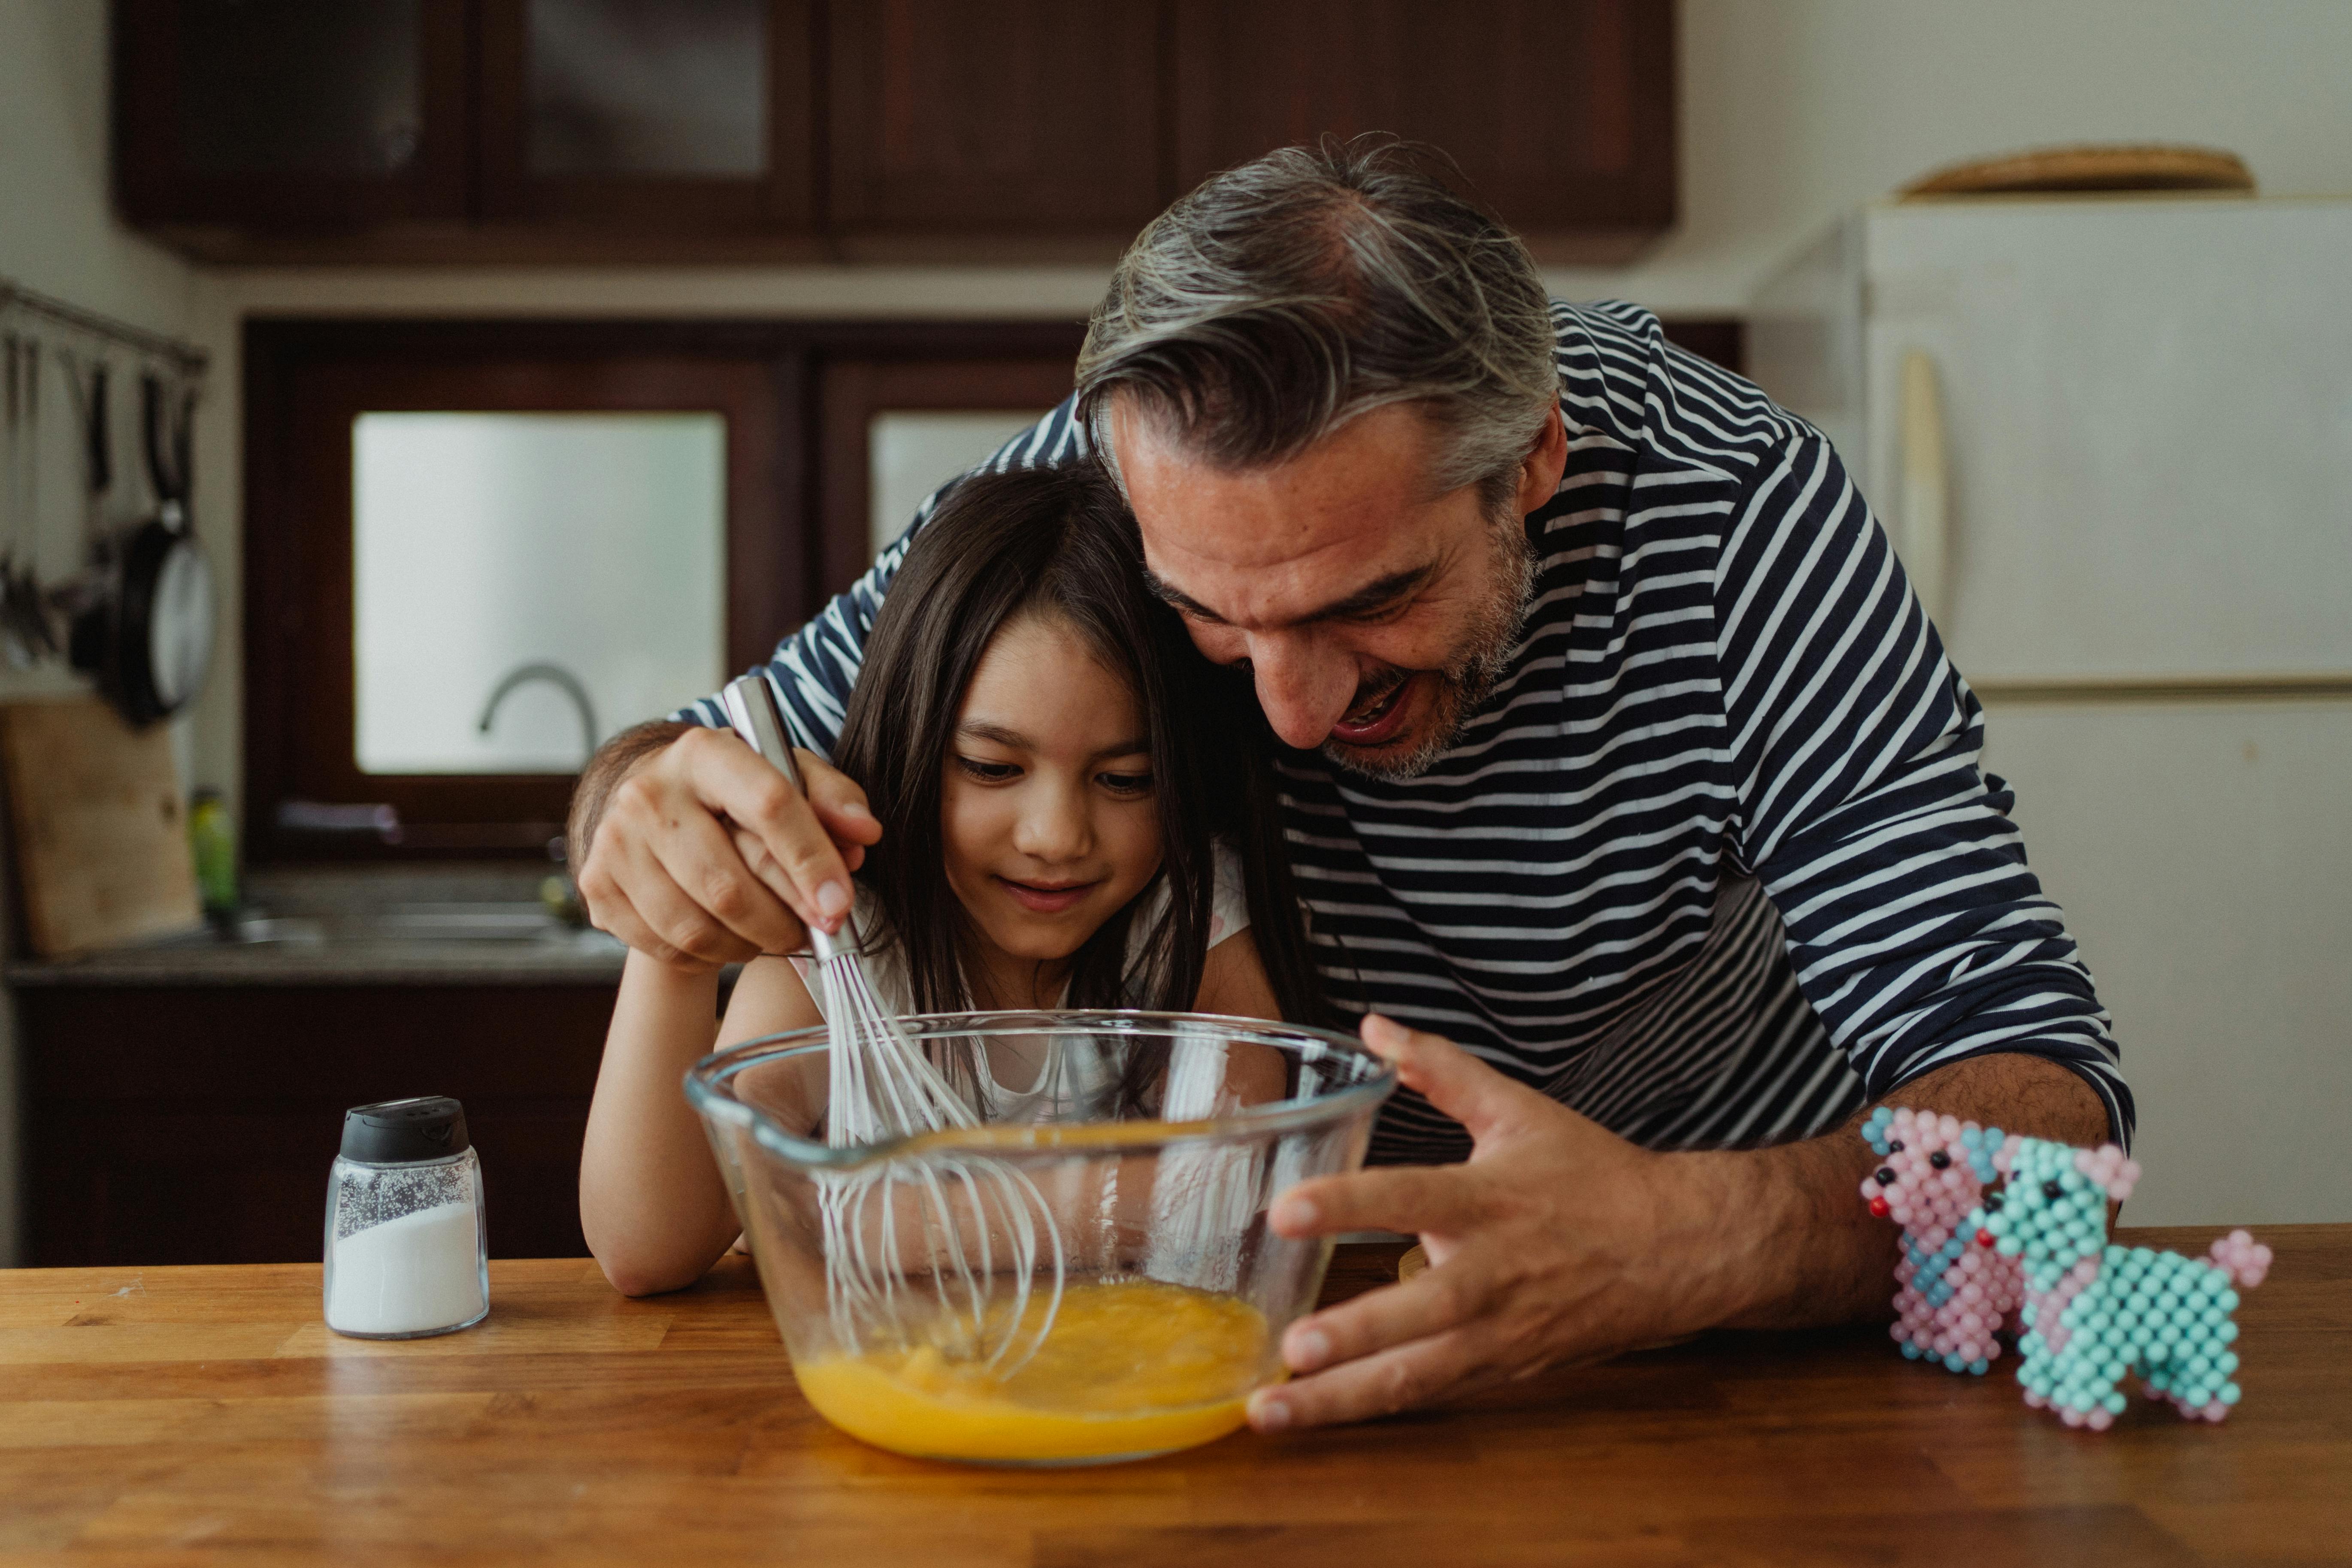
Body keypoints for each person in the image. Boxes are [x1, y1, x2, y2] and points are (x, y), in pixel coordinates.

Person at [567, 140, 2127, 1428]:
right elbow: (700, 760)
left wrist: (1695, 1237)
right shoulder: (1106, 474)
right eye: (1211, 619)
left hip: (1746, 1347)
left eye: (1364, 601)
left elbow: (2048, 1126)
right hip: (1318, 1346)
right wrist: (636, 816)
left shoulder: (1743, 528)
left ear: (1529, 460)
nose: (1292, 713)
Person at [577, 461, 1319, 1297]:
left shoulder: (1186, 914)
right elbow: (649, 1246)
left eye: (1125, 780)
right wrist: (673, 944)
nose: (1054, 837)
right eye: (991, 767)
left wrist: (854, 1220)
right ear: (912, 746)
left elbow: (1208, 1196)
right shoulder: (847, 942)